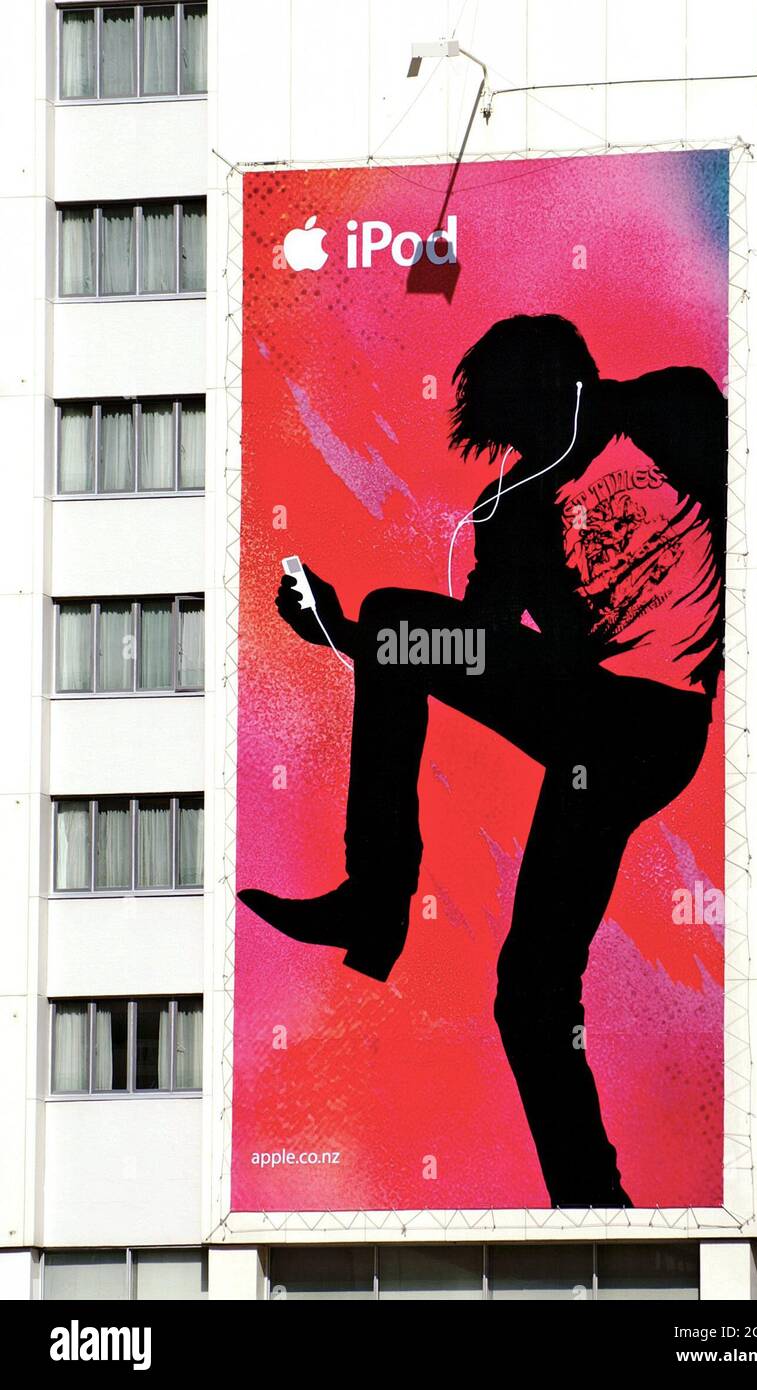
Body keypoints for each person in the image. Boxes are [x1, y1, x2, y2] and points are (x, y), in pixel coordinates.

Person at [239, 313, 727, 1209]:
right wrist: (345, 637)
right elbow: (477, 651)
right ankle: (595, 1207)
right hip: (584, 721)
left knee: (394, 624)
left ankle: (375, 899)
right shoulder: (506, 510)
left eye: (537, 427)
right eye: (511, 439)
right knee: (528, 996)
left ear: (572, 386)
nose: (526, 452)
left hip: (660, 722)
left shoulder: (673, 409)